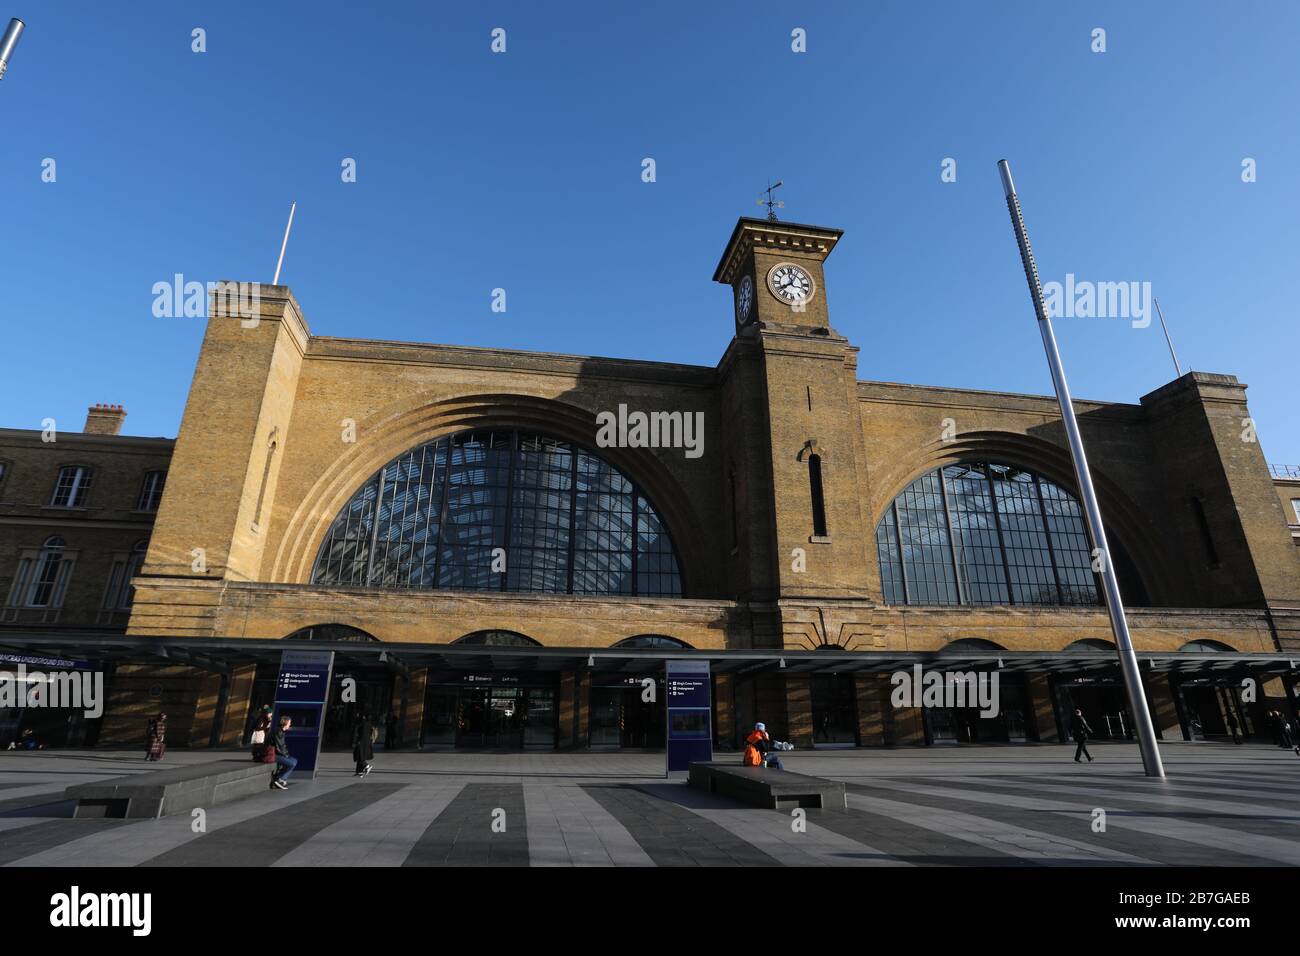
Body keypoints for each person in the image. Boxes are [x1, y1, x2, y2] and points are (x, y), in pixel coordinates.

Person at [269, 715, 297, 790]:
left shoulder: (281, 731)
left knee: (294, 760)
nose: (290, 725)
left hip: (277, 753)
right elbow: (279, 746)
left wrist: (286, 755)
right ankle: (279, 779)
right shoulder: (278, 732)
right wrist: (286, 755)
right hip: (272, 754)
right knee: (292, 763)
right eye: (289, 723)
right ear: (285, 723)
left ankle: (280, 778)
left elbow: (282, 746)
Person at [353, 710, 375, 777]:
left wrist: (358, 741)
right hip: (366, 742)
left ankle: (367, 766)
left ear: (363, 717)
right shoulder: (369, 724)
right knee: (360, 756)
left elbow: (362, 734)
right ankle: (359, 771)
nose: (357, 716)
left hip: (362, 742)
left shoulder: (363, 724)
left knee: (360, 755)